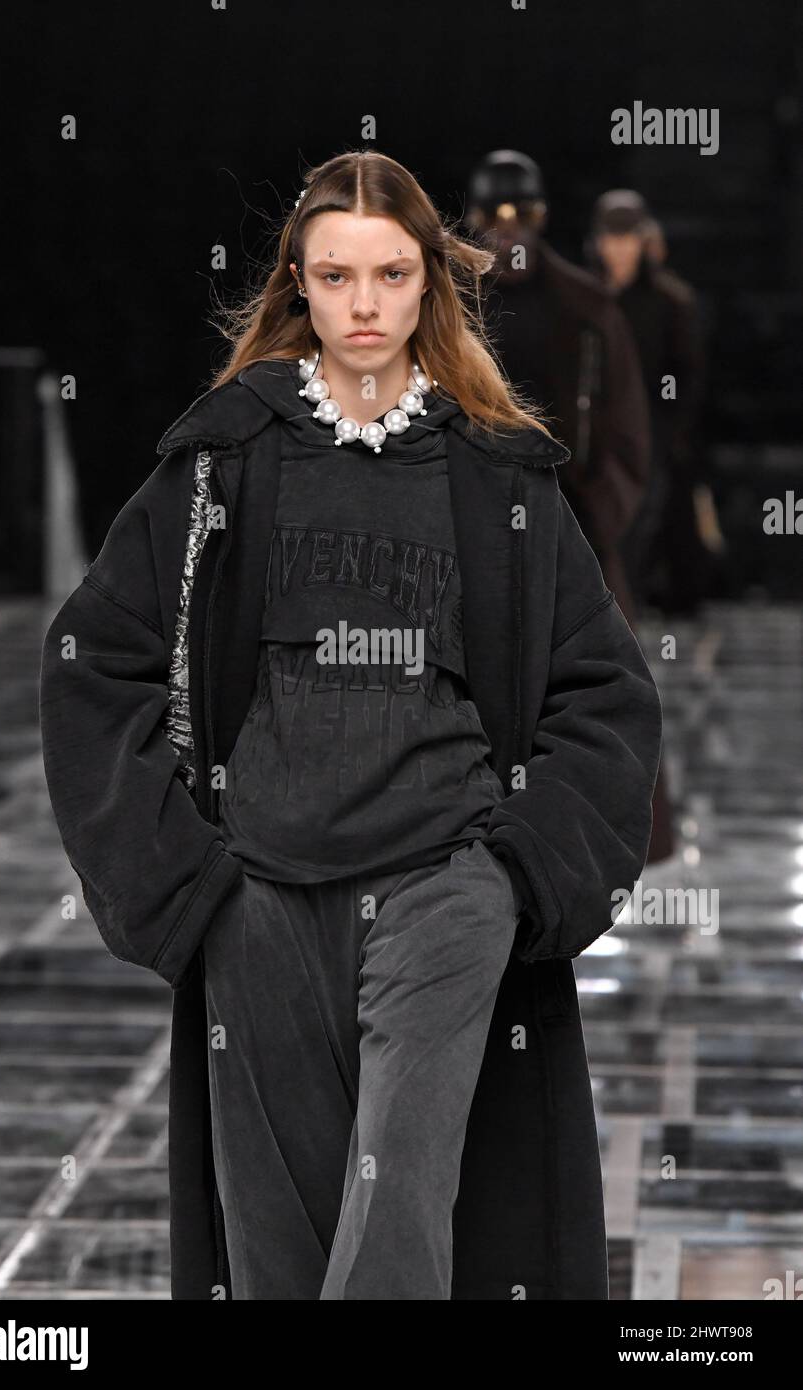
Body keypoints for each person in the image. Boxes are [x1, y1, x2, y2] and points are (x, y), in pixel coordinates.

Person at [38, 148, 663, 1301]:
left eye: (389, 274)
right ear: (298, 283)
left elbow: (603, 690)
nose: (363, 305)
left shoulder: (494, 476)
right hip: (258, 901)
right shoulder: (225, 463)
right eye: (335, 276)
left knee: (398, 1228)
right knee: (274, 1251)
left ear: (429, 281)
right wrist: (180, 882)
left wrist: (515, 873)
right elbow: (92, 660)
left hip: (442, 886)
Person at [466, 150, 674, 862]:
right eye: (495, 213)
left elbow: (627, 431)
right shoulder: (446, 300)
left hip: (572, 529)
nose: (507, 227)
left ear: (543, 215)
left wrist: (593, 528)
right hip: (467, 530)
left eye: (520, 212)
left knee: (599, 690)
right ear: (473, 216)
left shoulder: (587, 304)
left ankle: (599, 849)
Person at [586, 190, 711, 613]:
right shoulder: (584, 297)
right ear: (599, 242)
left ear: (643, 241)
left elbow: (686, 374)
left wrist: (671, 431)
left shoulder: (670, 302)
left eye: (628, 238)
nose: (620, 249)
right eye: (612, 238)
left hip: (649, 434)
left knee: (638, 525)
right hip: (593, 435)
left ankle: (622, 614)